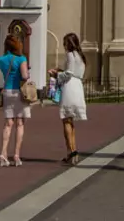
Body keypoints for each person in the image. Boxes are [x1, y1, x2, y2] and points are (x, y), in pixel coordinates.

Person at [49, 32, 87, 166]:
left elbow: (69, 73)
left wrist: (56, 74)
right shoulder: (81, 56)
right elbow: (75, 71)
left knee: (66, 119)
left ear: (68, 44)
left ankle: (71, 151)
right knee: (71, 120)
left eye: (65, 43)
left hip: (70, 87)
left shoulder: (70, 55)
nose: (64, 46)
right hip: (78, 86)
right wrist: (61, 70)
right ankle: (73, 149)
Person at [0, 34, 31, 167]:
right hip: (19, 92)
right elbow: (24, 76)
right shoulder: (21, 59)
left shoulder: (1, 60)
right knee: (20, 123)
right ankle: (16, 155)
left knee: (8, 123)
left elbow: (6, 73)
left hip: (7, 92)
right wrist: (27, 74)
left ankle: (3, 153)